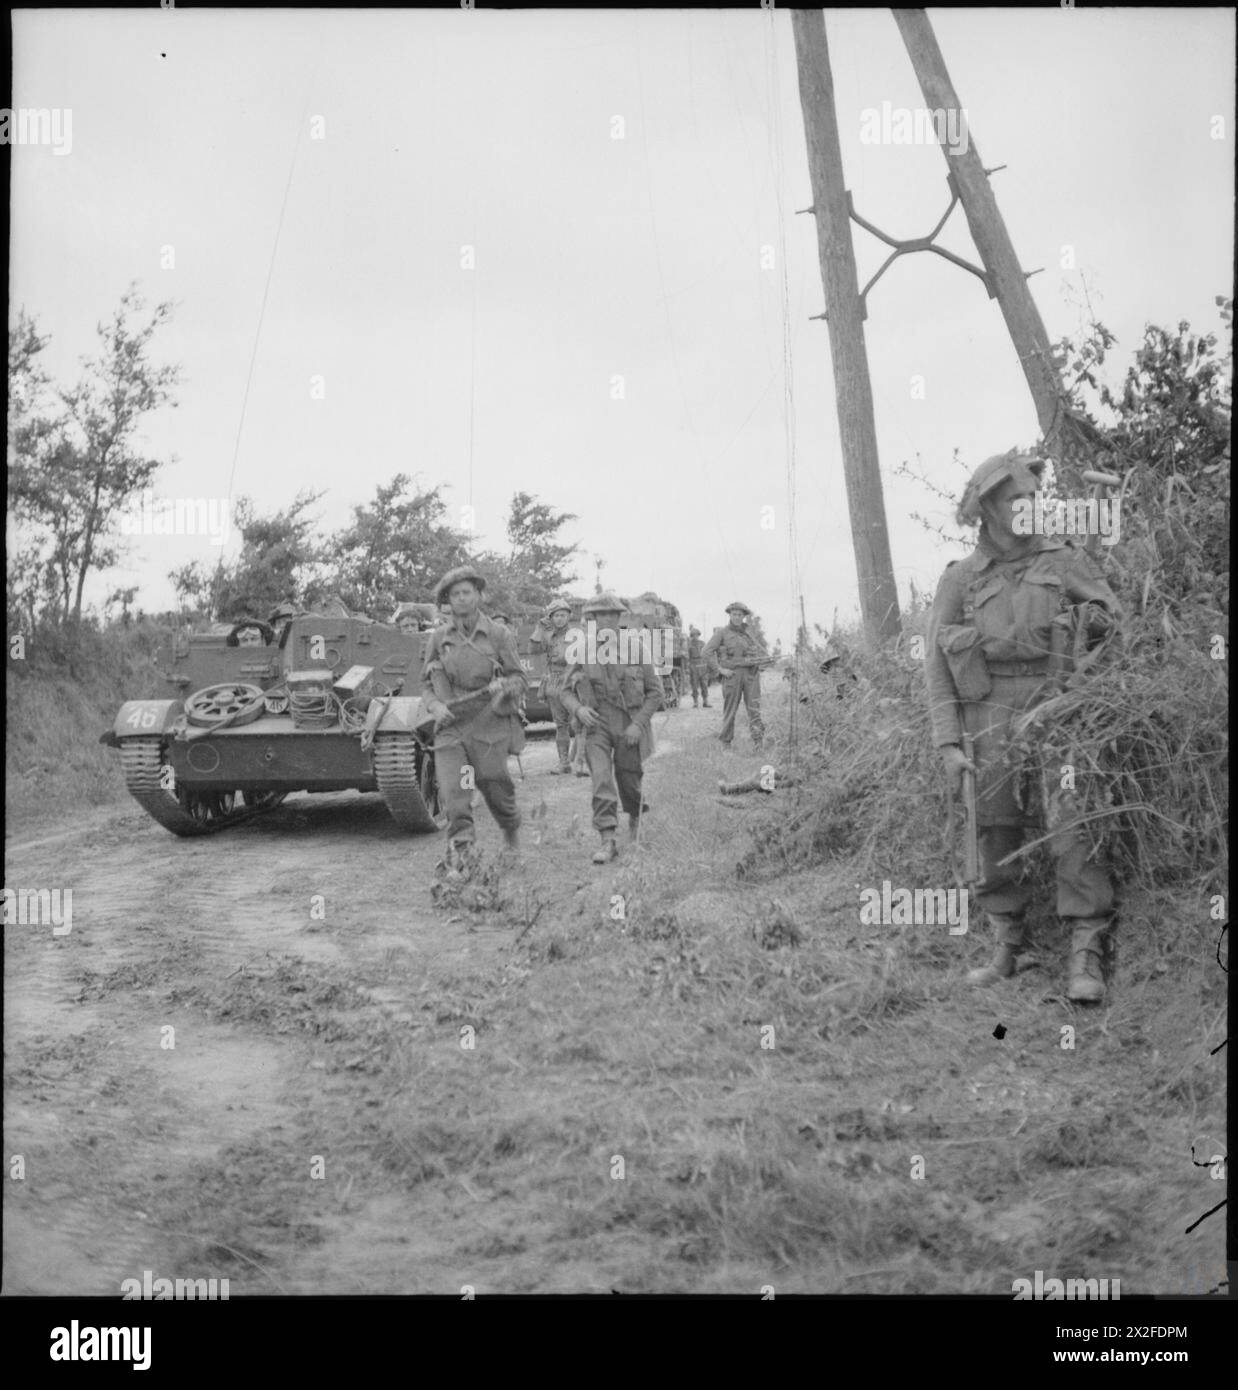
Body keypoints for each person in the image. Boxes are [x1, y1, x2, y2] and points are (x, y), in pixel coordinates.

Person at [925, 449, 1121, 1002]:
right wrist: (947, 744)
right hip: (986, 714)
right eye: (1017, 500)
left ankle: (1086, 949)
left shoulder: (1062, 559)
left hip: (1059, 708)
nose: (1029, 509)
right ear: (987, 509)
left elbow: (1113, 622)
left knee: (1074, 823)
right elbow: (937, 669)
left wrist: (1080, 682)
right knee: (992, 829)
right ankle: (1010, 942)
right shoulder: (961, 580)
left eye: (1035, 499)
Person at [420, 566, 527, 862]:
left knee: (494, 786)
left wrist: (505, 684)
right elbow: (425, 683)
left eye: (468, 592)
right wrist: (436, 706)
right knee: (456, 792)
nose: (462, 598)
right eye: (456, 594)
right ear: (448, 601)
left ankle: (510, 831)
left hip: (489, 723)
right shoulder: (439, 637)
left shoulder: (498, 634)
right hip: (451, 727)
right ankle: (464, 852)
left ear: (479, 595)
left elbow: (519, 678)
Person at [559, 593, 663, 864]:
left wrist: (639, 724)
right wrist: (579, 710)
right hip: (597, 724)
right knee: (601, 779)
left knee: (630, 779)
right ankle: (607, 839)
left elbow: (655, 692)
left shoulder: (636, 648)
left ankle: (636, 821)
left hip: (628, 722)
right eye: (600, 615)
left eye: (611, 615)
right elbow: (564, 691)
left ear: (619, 618)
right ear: (592, 619)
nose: (606, 619)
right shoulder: (582, 651)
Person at [703, 602, 769, 749]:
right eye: (734, 614)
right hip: (732, 675)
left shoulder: (749, 633)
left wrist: (762, 663)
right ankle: (725, 742)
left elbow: (760, 652)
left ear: (744, 616)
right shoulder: (722, 633)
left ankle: (758, 742)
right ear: (730, 615)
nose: (737, 617)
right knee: (730, 709)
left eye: (740, 615)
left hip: (751, 674)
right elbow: (706, 652)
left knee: (754, 708)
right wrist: (720, 670)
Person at [529, 598, 578, 774]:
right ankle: (563, 762)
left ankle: (580, 761)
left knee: (580, 722)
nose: (559, 619)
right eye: (556, 615)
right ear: (551, 617)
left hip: (573, 681)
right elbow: (533, 650)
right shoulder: (548, 636)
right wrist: (539, 628)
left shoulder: (576, 635)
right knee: (560, 725)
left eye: (563, 615)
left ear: (568, 616)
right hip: (555, 682)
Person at [687, 625, 711, 708]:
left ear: (698, 635)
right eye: (693, 635)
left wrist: (707, 665)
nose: (695, 637)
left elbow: (707, 654)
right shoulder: (689, 645)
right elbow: (688, 657)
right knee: (694, 684)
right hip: (693, 665)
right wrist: (689, 666)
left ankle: (705, 701)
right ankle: (695, 702)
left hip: (702, 664)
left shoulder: (702, 643)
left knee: (704, 684)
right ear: (691, 636)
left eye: (696, 635)